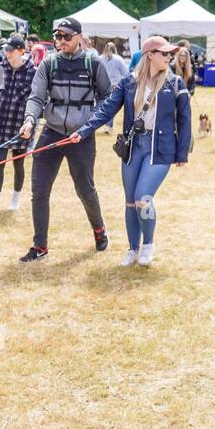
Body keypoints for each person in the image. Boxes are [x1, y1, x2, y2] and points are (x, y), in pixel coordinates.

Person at [71, 36, 191, 267]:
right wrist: (84, 131)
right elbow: (107, 109)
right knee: (130, 202)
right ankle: (133, 248)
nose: (169, 57)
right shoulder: (129, 82)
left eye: (170, 54)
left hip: (160, 148)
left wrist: (182, 153)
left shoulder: (175, 83)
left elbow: (185, 120)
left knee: (142, 198)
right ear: (150, 55)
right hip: (133, 147)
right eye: (164, 53)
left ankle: (148, 245)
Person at [17, 16, 114, 262]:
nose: (61, 41)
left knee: (85, 189)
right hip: (51, 132)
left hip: (81, 137)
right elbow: (36, 97)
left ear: (79, 37)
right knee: (39, 190)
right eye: (57, 36)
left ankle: (99, 229)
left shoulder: (94, 63)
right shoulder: (48, 64)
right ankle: (40, 246)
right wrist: (29, 120)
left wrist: (89, 125)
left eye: (66, 36)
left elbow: (108, 98)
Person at [0, 35, 36, 216]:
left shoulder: (33, 72)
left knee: (18, 164)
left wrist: (32, 120)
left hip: (20, 125)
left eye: (11, 50)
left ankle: (15, 200)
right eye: (6, 50)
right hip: (0, 122)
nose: (8, 53)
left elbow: (39, 99)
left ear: (21, 51)